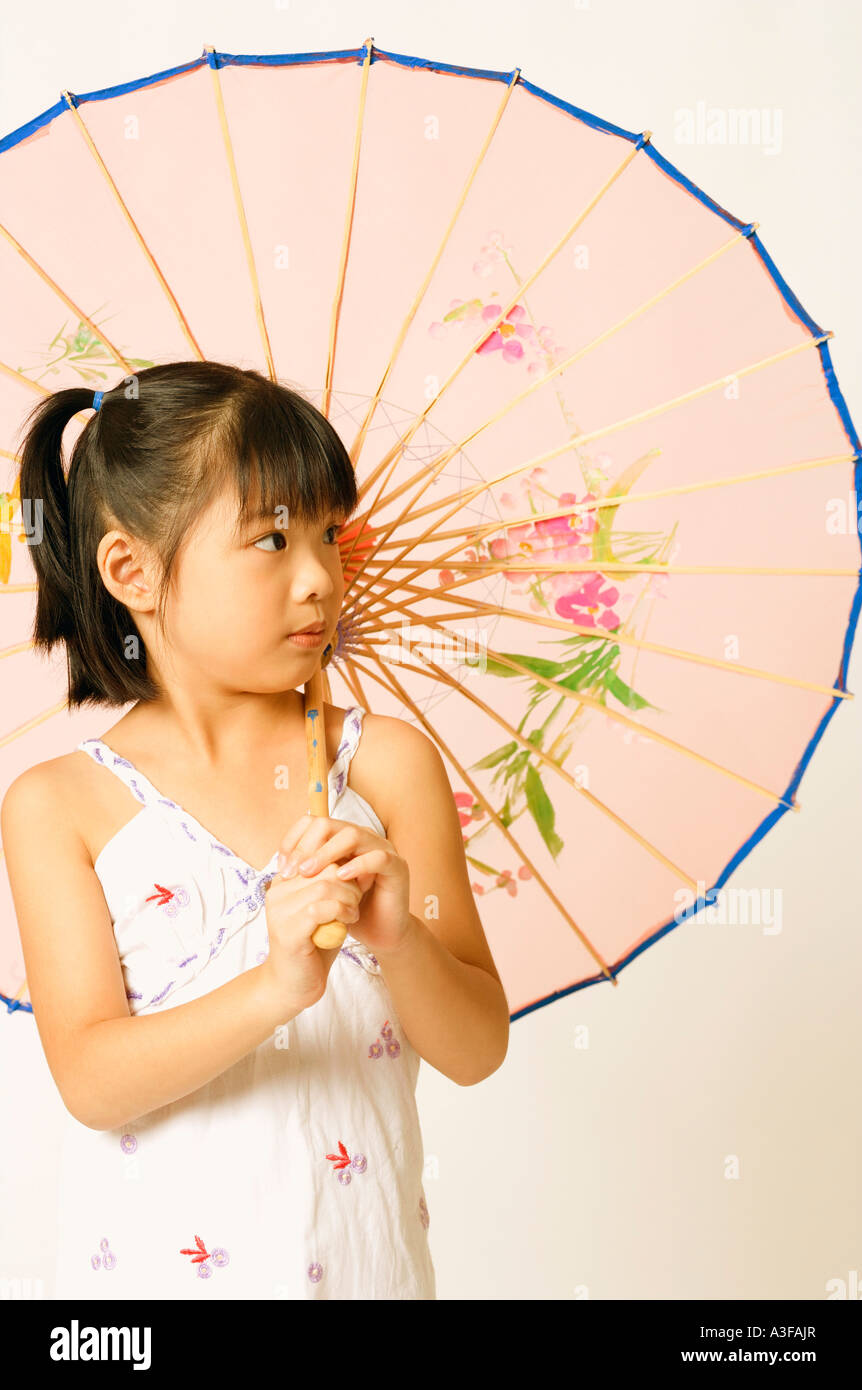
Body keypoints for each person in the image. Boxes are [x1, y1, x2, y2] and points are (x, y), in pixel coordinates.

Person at [1, 361, 510, 1300]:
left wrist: (397, 934)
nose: (320, 576)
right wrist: (276, 985)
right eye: (272, 539)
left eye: (329, 534)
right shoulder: (62, 805)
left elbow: (477, 1048)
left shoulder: (383, 769)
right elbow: (92, 1078)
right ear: (132, 572)